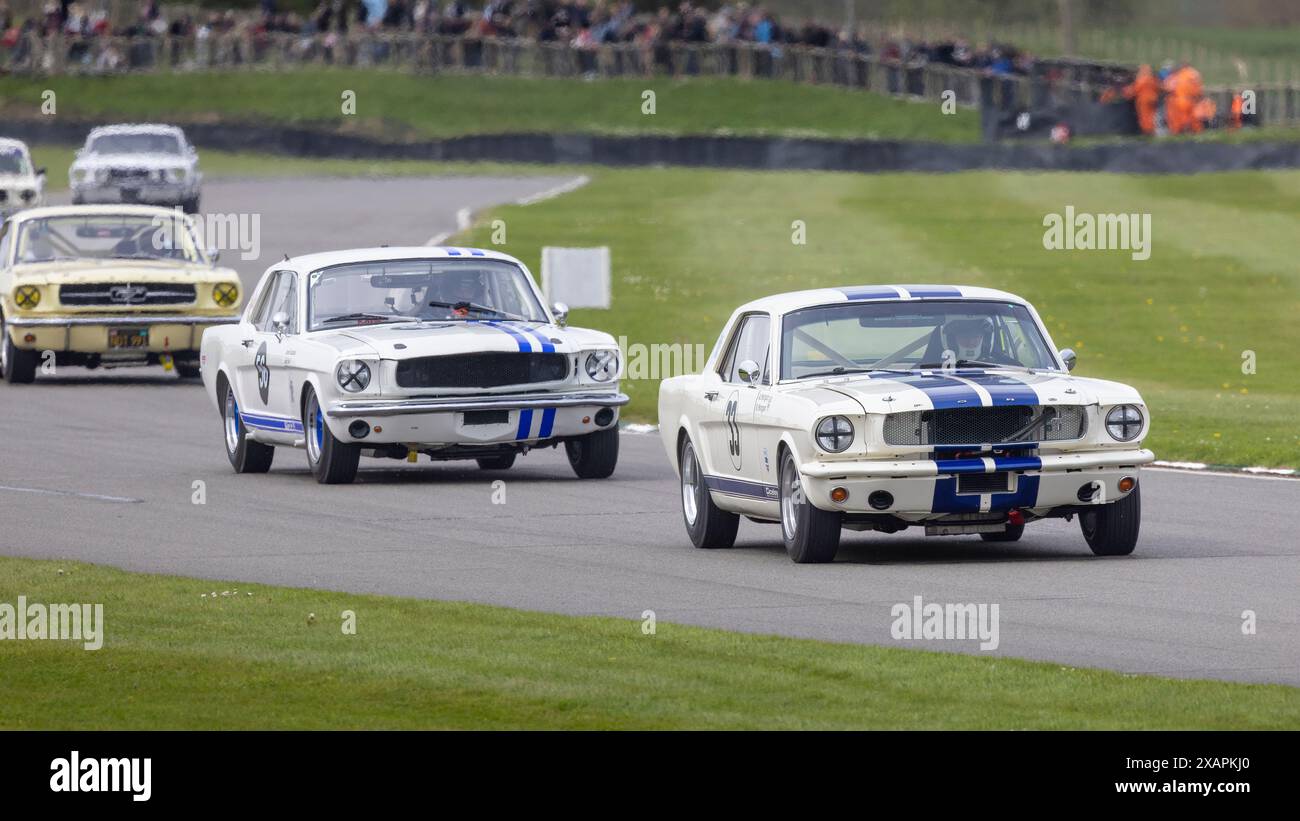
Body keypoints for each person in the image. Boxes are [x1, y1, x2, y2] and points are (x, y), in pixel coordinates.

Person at [1122, 64, 1159, 135]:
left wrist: (1126, 93)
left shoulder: (1141, 79)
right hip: (1153, 99)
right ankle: (1151, 130)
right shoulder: (1153, 79)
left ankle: (1147, 131)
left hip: (1143, 100)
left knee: (1144, 115)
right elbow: (1158, 87)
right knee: (1151, 115)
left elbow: (1135, 90)